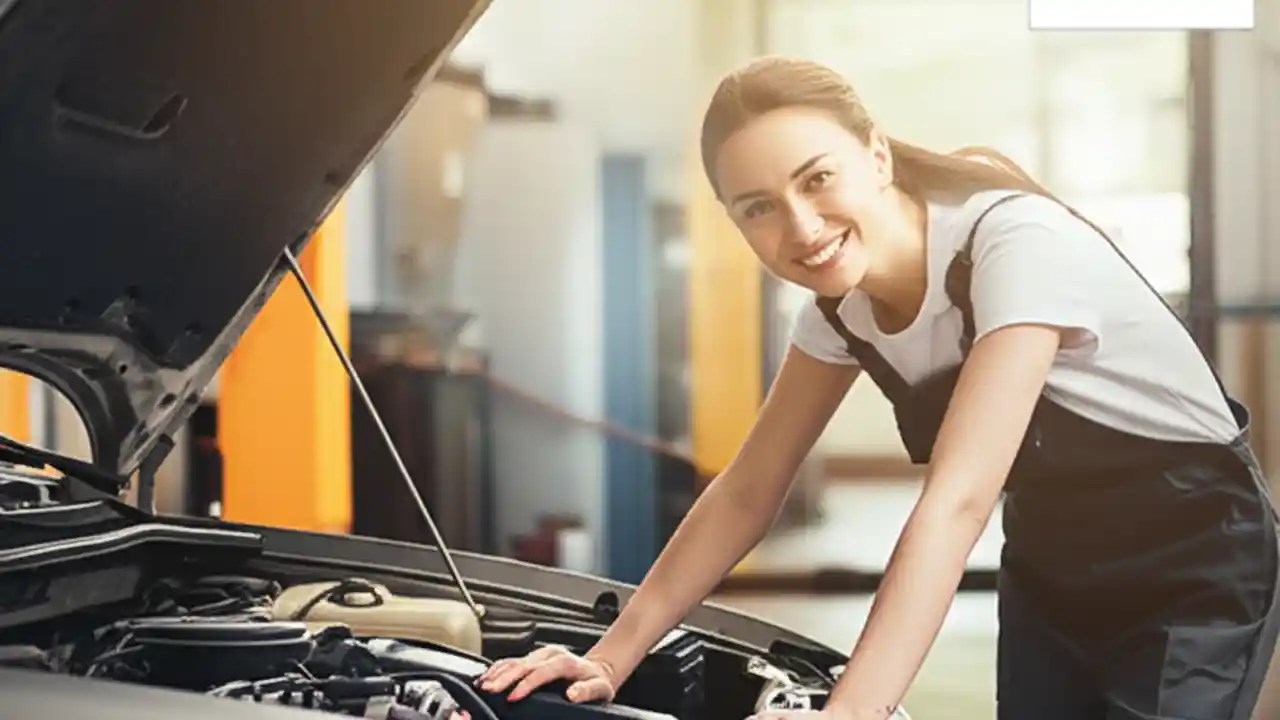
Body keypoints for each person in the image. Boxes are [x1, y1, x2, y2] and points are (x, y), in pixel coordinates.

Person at [474, 56, 1280, 719]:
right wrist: (610, 657)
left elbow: (957, 503)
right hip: (1053, 564)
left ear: (878, 157)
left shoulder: (1014, 245)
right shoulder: (839, 313)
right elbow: (747, 492)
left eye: (818, 178)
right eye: (759, 208)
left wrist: (851, 713)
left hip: (1192, 557)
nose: (801, 226)